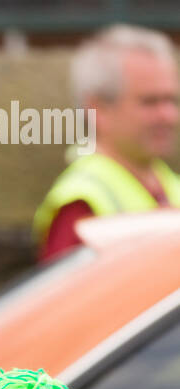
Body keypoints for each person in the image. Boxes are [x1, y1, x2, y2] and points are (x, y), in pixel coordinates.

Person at [34, 24, 180, 261]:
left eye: (171, 100)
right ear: (98, 109)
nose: (169, 115)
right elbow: (71, 297)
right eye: (150, 102)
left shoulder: (171, 186)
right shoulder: (81, 204)